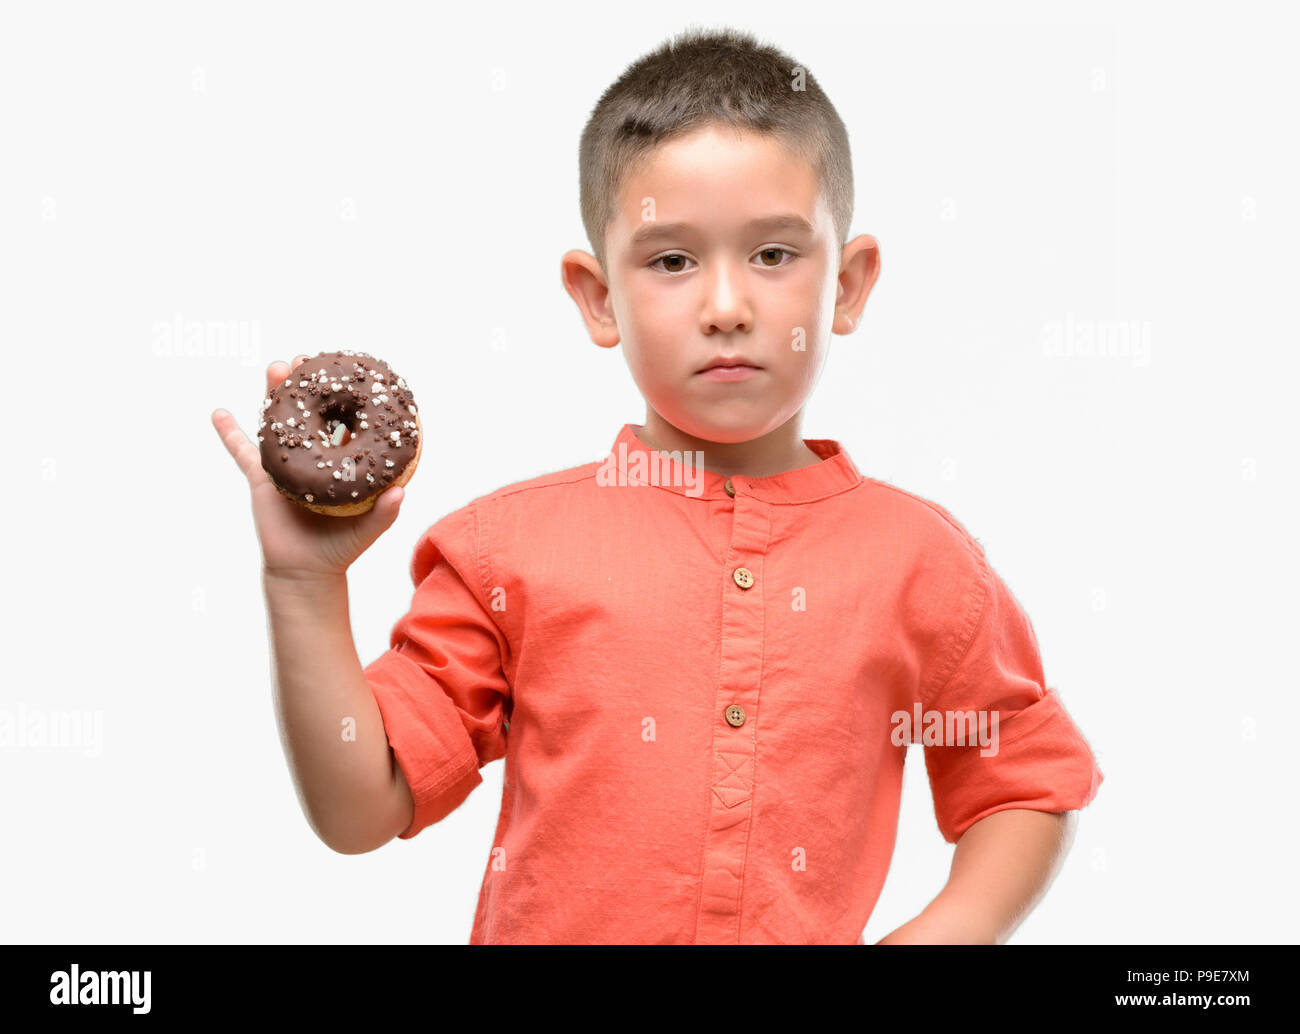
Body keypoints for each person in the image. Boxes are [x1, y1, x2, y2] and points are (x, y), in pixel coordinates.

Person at [211, 26, 1102, 944]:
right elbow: (362, 811)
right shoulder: (507, 552)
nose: (725, 306)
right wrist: (305, 585)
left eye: (774, 254)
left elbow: (1025, 780)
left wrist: (944, 934)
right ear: (599, 297)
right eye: (671, 260)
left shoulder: (922, 563)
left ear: (850, 284)